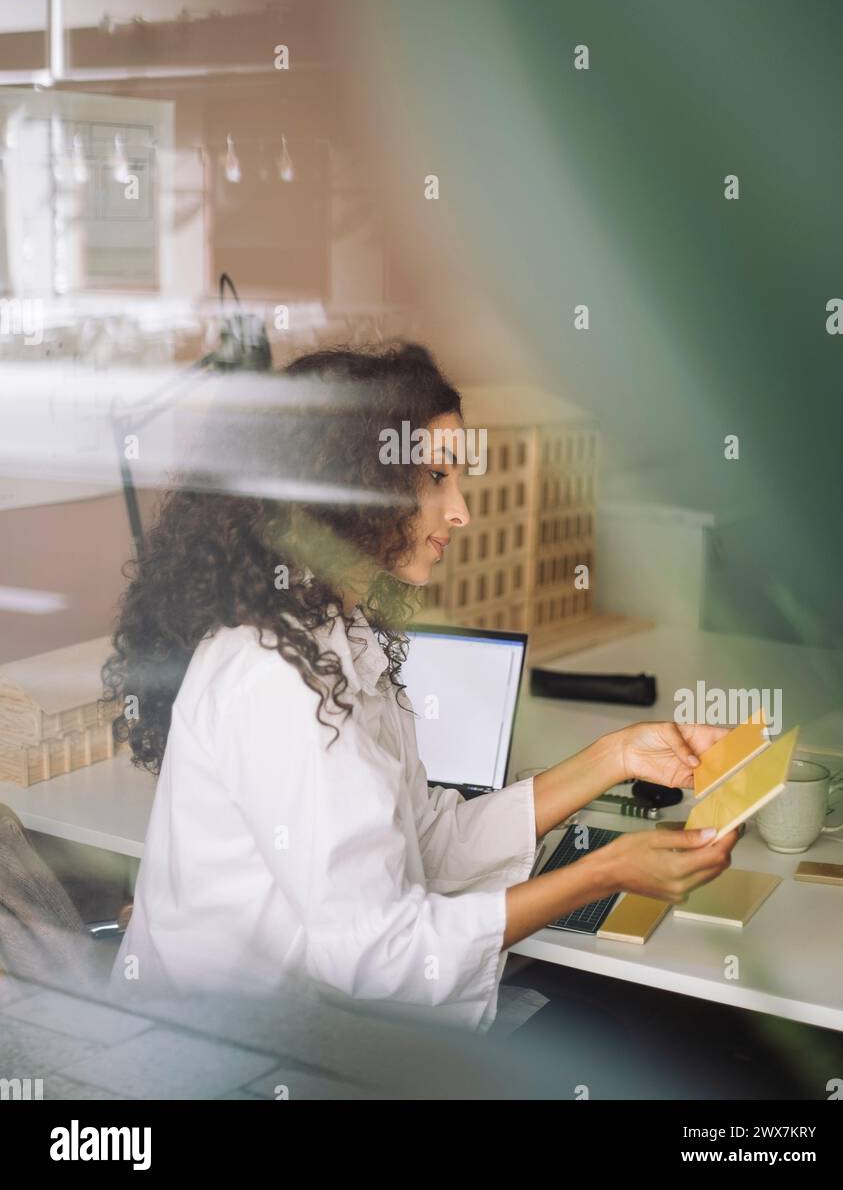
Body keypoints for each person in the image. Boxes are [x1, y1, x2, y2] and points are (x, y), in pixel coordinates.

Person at [103, 341, 737, 1038]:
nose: (460, 511)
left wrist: (613, 758)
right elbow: (374, 953)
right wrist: (603, 872)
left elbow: (426, 839)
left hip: (297, 1036)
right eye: (436, 478)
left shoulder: (337, 638)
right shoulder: (273, 678)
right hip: (222, 1061)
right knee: (635, 1036)